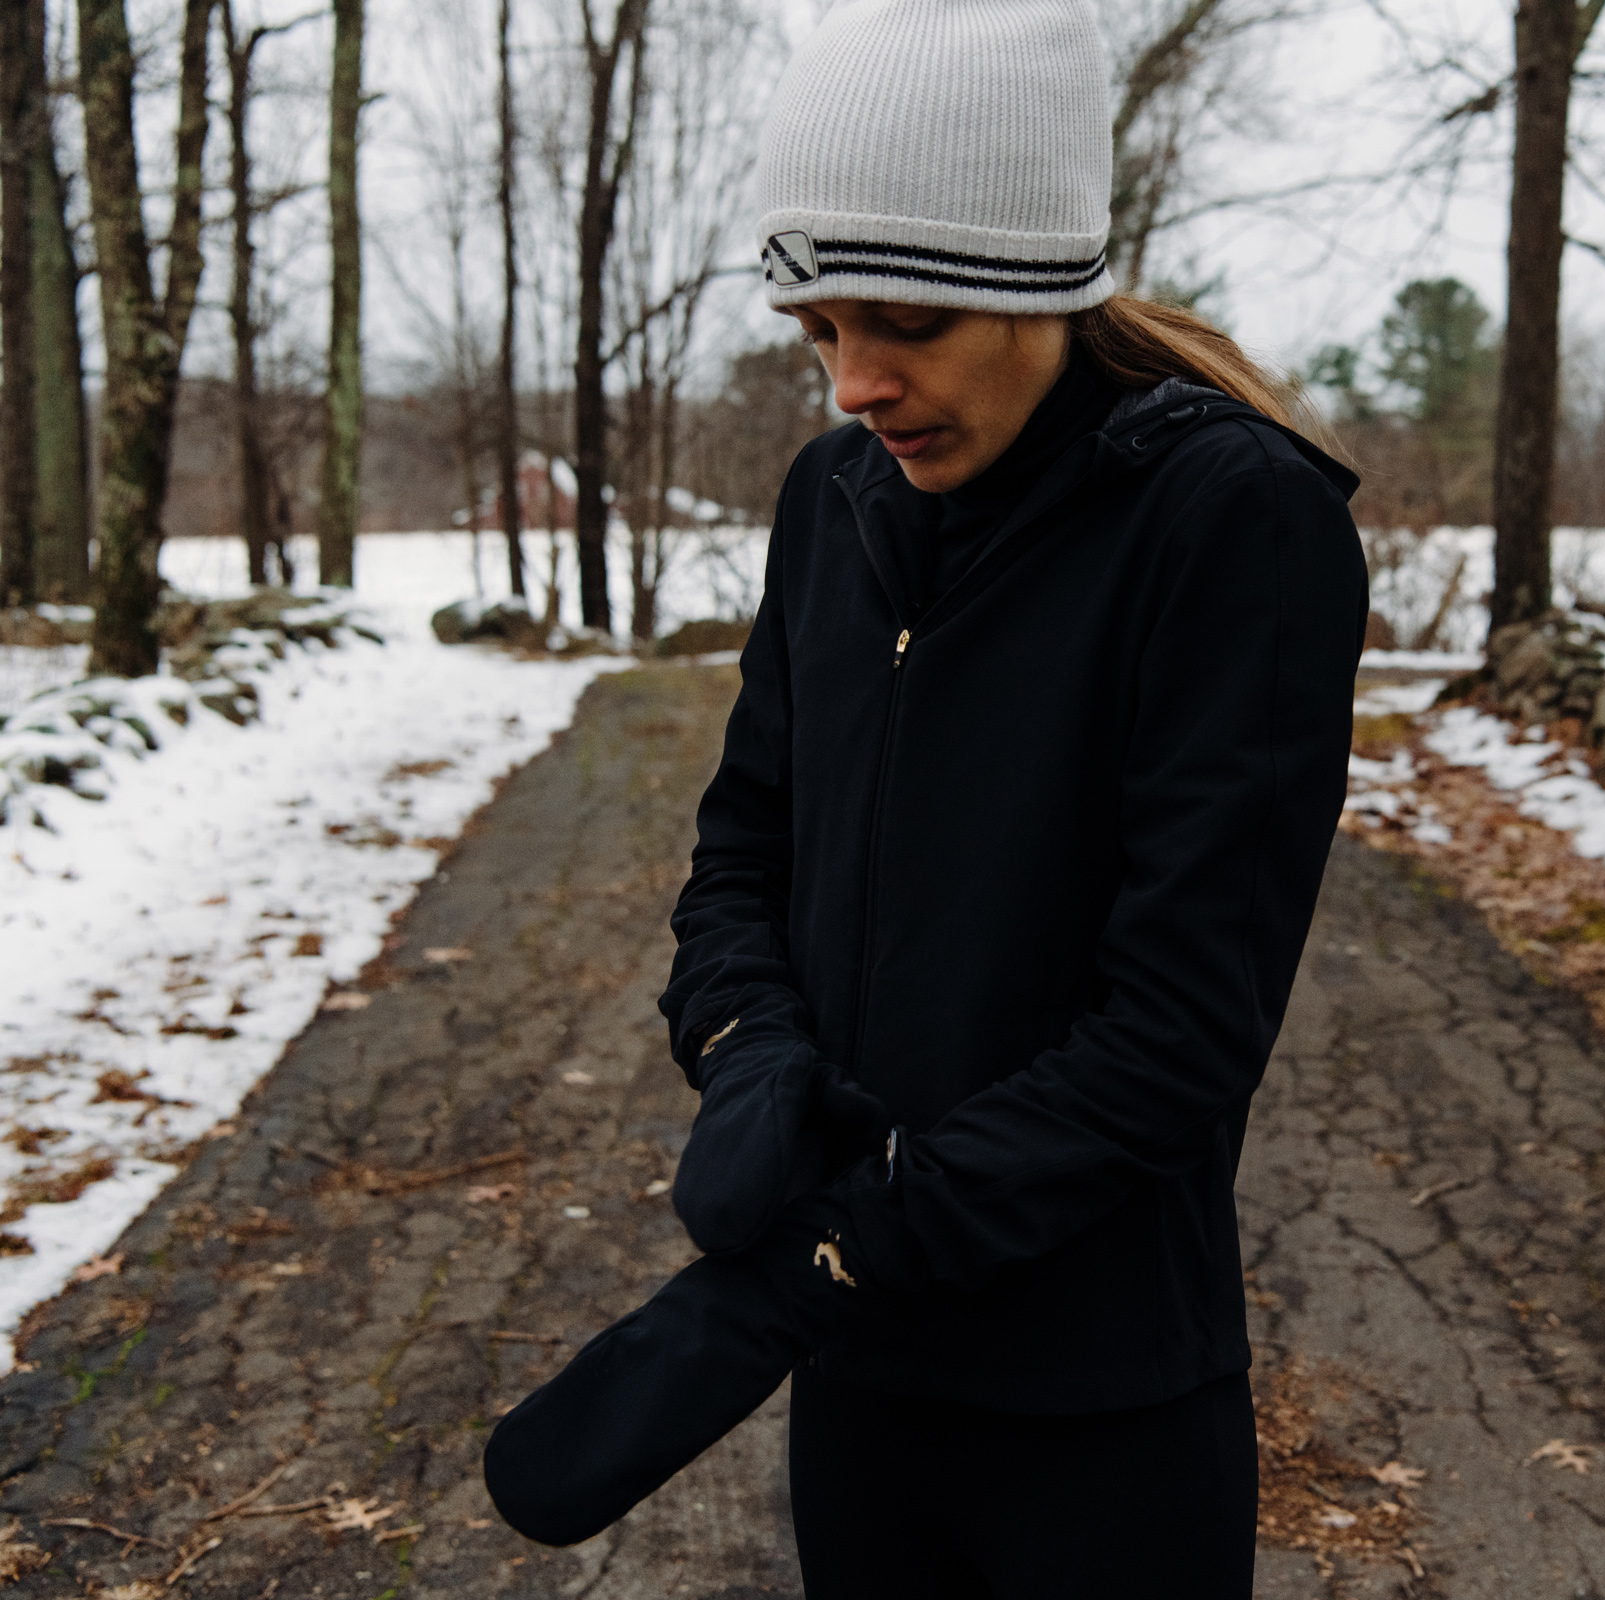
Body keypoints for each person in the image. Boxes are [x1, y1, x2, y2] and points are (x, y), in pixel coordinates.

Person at [480, 0, 1368, 1593]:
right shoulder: (835, 503)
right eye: (818, 331)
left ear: (1035, 283)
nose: (855, 386)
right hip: (866, 1387)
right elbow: (744, 842)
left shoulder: (1232, 522)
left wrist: (844, 1243)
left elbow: (1181, 1030)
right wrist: (747, 1048)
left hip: (1097, 1404)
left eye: (902, 322)